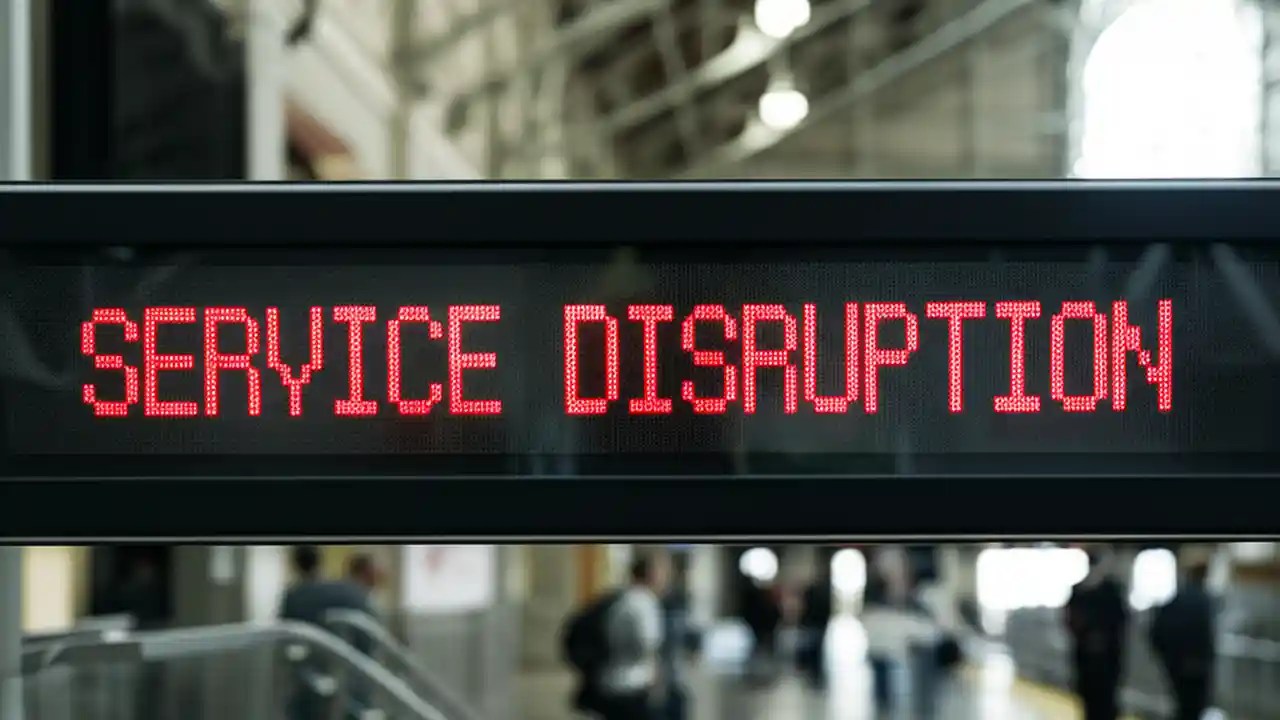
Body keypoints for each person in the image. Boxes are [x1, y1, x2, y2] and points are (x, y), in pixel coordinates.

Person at [279, 546, 379, 720]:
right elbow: (368, 643)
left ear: (295, 564)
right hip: (352, 683)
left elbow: (286, 638)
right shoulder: (351, 593)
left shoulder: (294, 596)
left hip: (310, 683)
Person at [596, 553, 671, 720]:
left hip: (611, 680)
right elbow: (648, 641)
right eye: (662, 572)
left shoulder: (622, 600)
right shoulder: (645, 602)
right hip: (636, 684)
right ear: (651, 574)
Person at [861, 571, 939, 718]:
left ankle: (885, 706)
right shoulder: (883, 609)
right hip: (883, 649)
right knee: (883, 680)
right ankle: (885, 705)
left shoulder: (881, 609)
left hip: (885, 649)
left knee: (885, 681)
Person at [1065, 548, 1129, 720]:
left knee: (1092, 705)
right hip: (1106, 661)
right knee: (1104, 704)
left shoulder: (1078, 591)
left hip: (1087, 660)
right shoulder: (1111, 590)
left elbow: (1069, 622)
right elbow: (1122, 623)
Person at [1150, 561, 1216, 720]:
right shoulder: (1203, 601)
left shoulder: (1177, 600)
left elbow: (1156, 632)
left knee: (1183, 707)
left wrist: (1168, 658)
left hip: (1179, 665)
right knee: (1193, 709)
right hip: (1198, 666)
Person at [797, 569, 833, 687]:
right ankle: (815, 672)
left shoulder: (814, 591)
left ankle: (813, 672)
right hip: (816, 624)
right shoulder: (823, 592)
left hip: (813, 623)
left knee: (813, 649)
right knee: (816, 649)